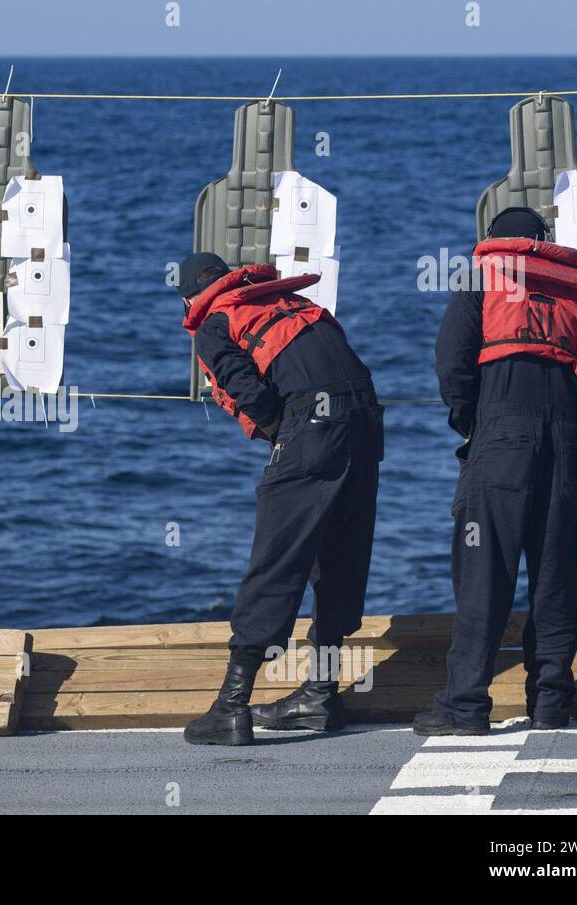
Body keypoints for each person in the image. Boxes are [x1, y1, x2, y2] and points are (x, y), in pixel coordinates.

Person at [415, 208, 577, 736]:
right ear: (543, 242)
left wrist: (470, 425)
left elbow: (451, 362)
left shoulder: (480, 277)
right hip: (565, 438)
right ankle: (551, 704)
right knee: (557, 572)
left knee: (484, 570)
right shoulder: (573, 287)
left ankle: (465, 706)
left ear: (492, 240)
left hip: (502, 433)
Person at [178, 252, 384, 746]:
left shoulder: (214, 323)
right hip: (365, 422)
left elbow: (250, 394)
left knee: (276, 562)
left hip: (313, 430)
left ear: (190, 297)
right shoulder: (289, 300)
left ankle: (231, 707)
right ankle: (320, 693)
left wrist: (279, 434)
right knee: (341, 561)